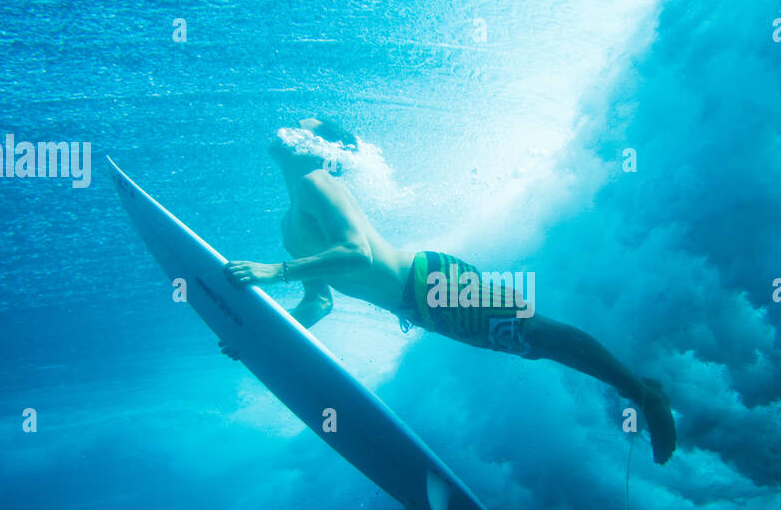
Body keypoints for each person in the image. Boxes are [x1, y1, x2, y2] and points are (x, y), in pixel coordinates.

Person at [224, 118, 677, 464]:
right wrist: (257, 333)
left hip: (430, 283)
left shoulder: (316, 182)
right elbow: (318, 302)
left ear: (322, 147)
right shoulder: (289, 224)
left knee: (539, 336)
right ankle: (639, 388)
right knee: (534, 345)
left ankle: (642, 394)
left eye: (302, 124)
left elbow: (357, 252)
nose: (287, 126)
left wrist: (273, 272)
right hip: (421, 305)